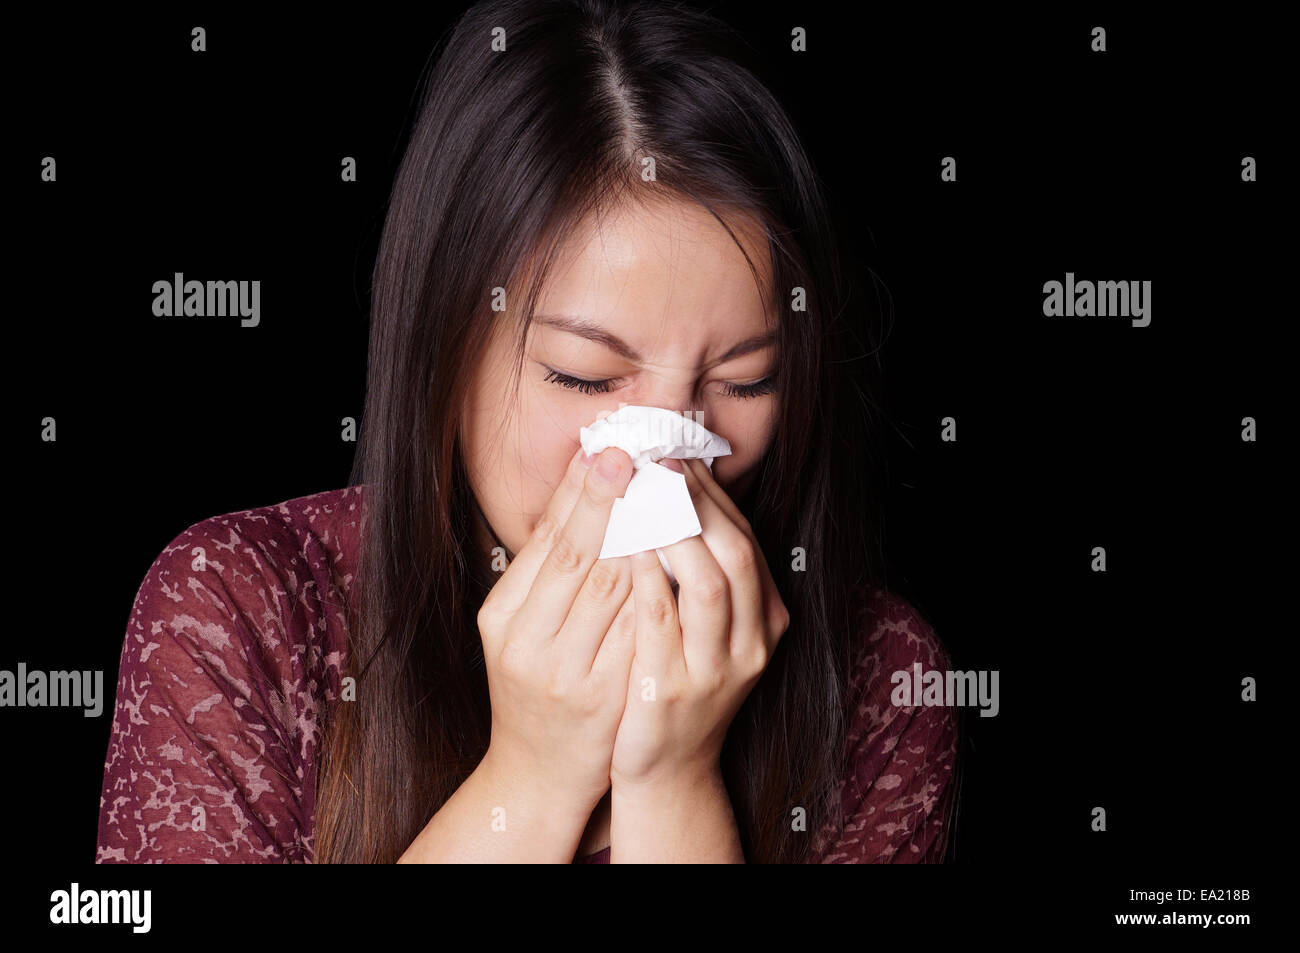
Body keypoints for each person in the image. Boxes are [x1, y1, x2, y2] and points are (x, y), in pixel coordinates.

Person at [96, 0, 957, 864]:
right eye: (585, 375)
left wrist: (674, 781)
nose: (660, 460)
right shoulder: (241, 614)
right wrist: (536, 775)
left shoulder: (884, 682)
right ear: (443, 350)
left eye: (746, 381)